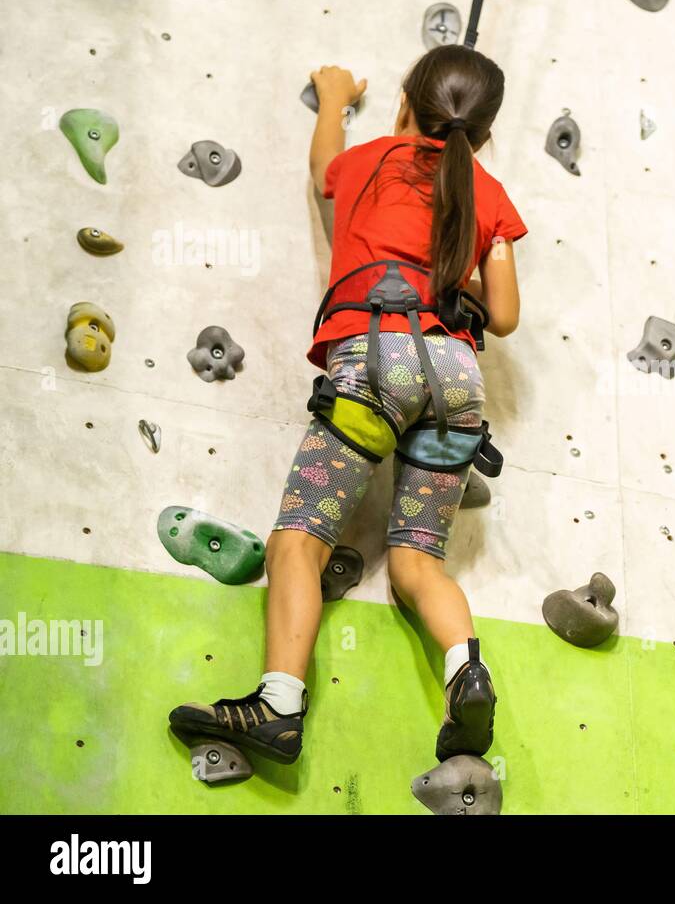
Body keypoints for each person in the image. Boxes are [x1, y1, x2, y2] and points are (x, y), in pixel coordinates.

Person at [169, 44, 525, 768]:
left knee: (299, 539)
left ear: (402, 106)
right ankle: (466, 670)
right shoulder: (490, 195)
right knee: (418, 562)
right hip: (456, 380)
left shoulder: (371, 160)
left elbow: (321, 168)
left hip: (375, 361)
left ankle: (278, 706)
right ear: (483, 135)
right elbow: (507, 315)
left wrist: (332, 97)